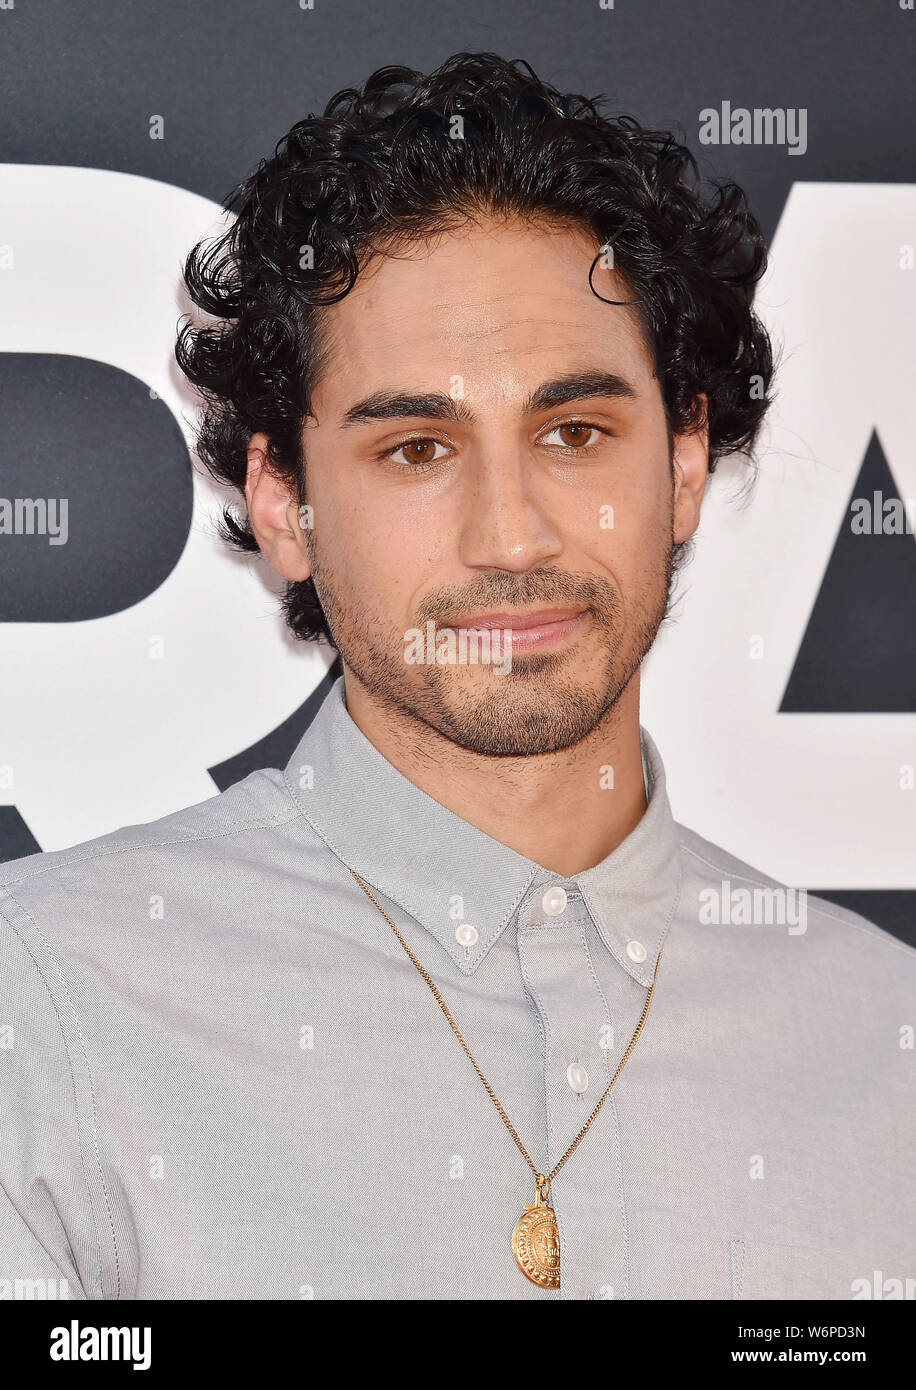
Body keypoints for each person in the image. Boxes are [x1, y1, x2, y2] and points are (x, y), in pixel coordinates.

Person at [1, 52, 912, 1302]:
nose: (511, 534)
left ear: (686, 460)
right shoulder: (43, 1004)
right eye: (417, 447)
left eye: (574, 432)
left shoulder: (888, 1038)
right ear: (284, 503)